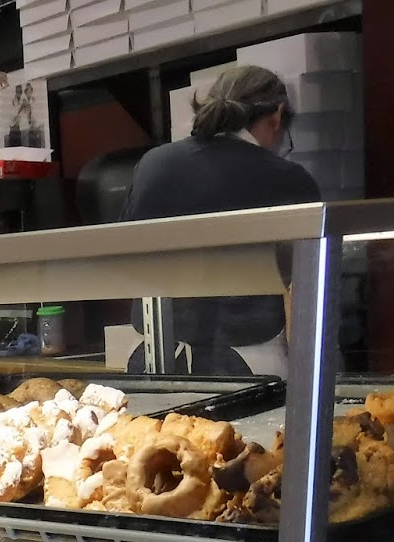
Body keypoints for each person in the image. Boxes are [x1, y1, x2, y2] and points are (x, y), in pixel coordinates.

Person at [121, 64, 320, 376]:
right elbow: (305, 288)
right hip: (250, 360)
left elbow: (126, 257)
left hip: (153, 354)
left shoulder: (153, 163)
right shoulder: (288, 179)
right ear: (277, 115)